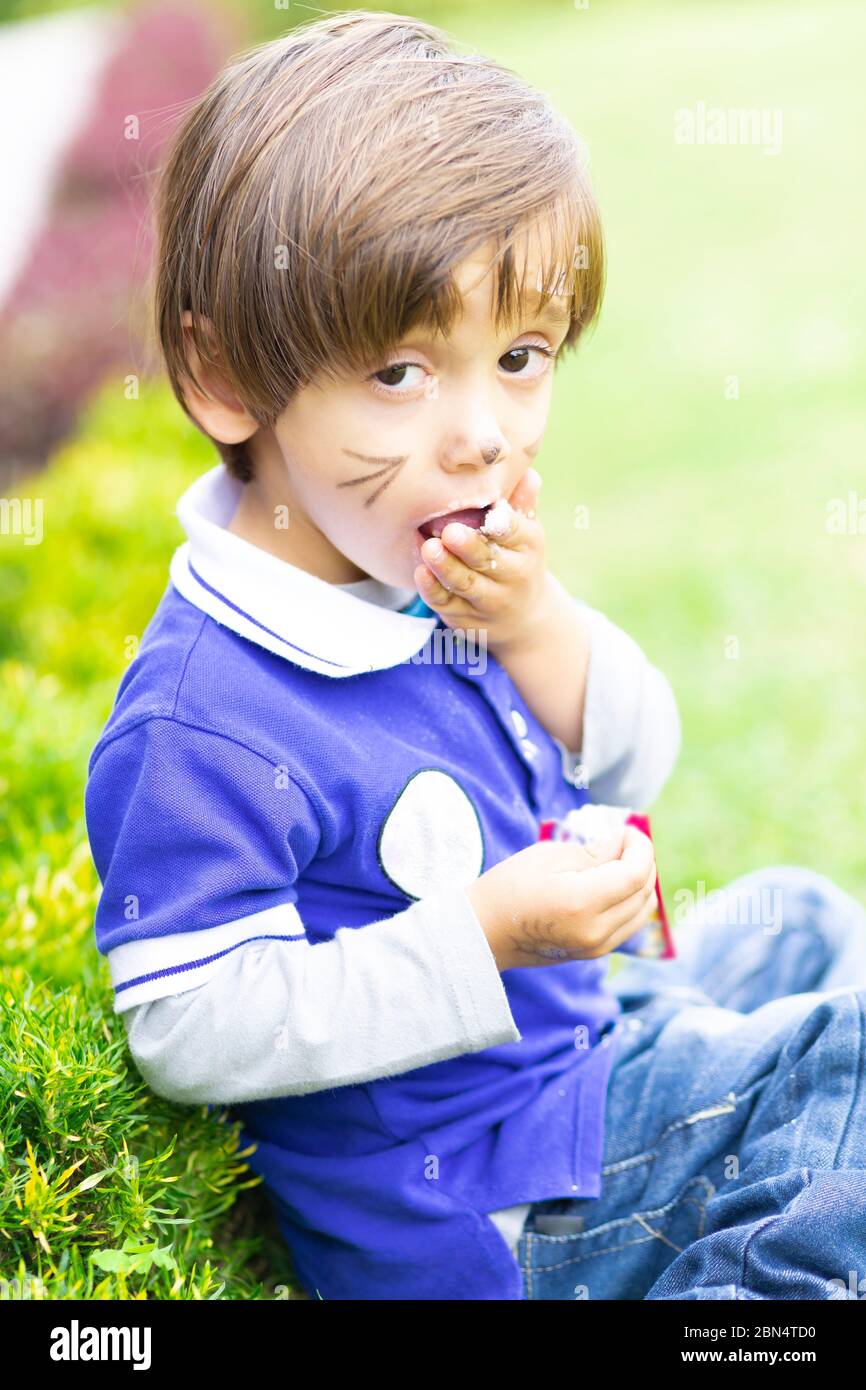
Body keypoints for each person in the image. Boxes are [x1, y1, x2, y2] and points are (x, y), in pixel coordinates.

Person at [84, 10, 866, 1300]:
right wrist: (481, 939)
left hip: (585, 1037)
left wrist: (534, 619)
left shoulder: (410, 563)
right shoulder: (203, 720)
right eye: (401, 372)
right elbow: (190, 1027)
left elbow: (636, 748)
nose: (483, 435)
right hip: (499, 1188)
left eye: (517, 359)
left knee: (812, 921)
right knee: (847, 1064)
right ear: (222, 375)